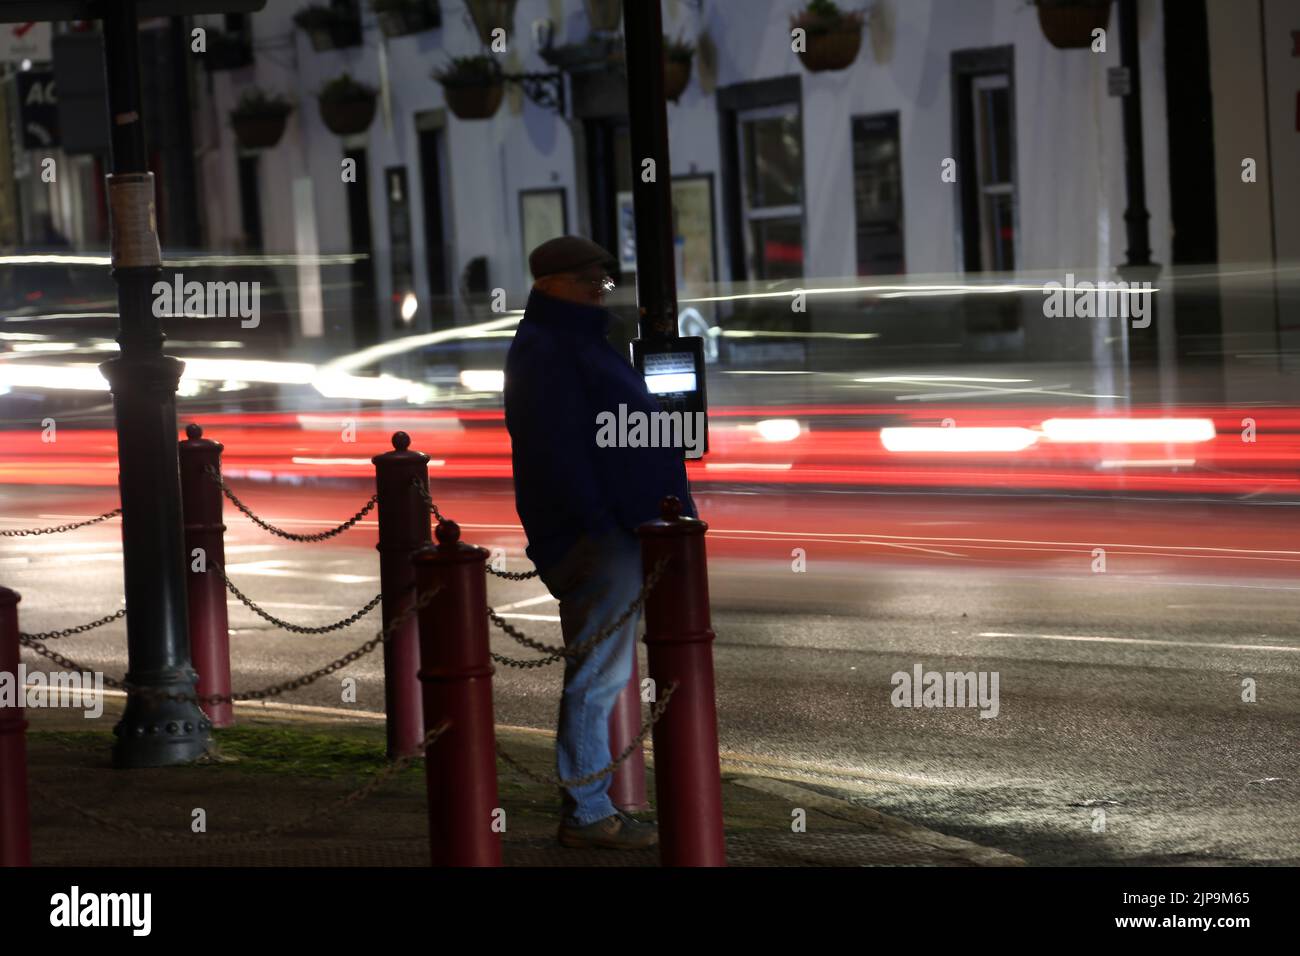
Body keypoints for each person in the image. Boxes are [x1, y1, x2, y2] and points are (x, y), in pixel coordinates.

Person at [504, 236, 697, 850]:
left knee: (604, 670)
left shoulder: (575, 341)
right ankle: (587, 812)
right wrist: (598, 523)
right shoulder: (550, 347)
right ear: (550, 282)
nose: (599, 289)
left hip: (623, 528)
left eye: (603, 281)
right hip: (603, 535)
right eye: (589, 280)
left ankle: (593, 806)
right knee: (598, 674)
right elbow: (557, 449)